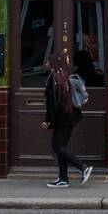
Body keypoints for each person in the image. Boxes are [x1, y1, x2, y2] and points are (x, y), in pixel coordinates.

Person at [40, 55, 93, 187]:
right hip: (71, 117)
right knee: (61, 147)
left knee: (57, 146)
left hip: (63, 119)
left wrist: (48, 121)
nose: (46, 64)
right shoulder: (65, 77)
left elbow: (53, 105)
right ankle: (63, 179)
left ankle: (83, 168)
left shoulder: (54, 80)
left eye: (48, 61)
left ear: (53, 64)